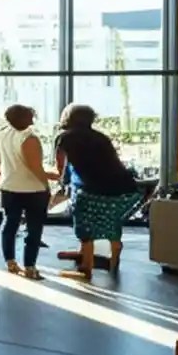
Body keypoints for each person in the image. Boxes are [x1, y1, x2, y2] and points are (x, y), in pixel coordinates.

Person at [53, 104, 141, 280]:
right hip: (125, 189)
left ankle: (86, 266)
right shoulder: (101, 137)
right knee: (112, 222)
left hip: (90, 189)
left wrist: (61, 184)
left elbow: (61, 169)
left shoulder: (64, 138)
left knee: (85, 226)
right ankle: (113, 259)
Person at [0, 105, 59, 279]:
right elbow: (35, 168)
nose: (33, 120)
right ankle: (30, 267)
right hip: (33, 190)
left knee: (10, 224)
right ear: (25, 118)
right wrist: (49, 182)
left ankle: (10, 262)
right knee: (34, 229)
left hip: (8, 187)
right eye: (31, 116)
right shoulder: (29, 138)